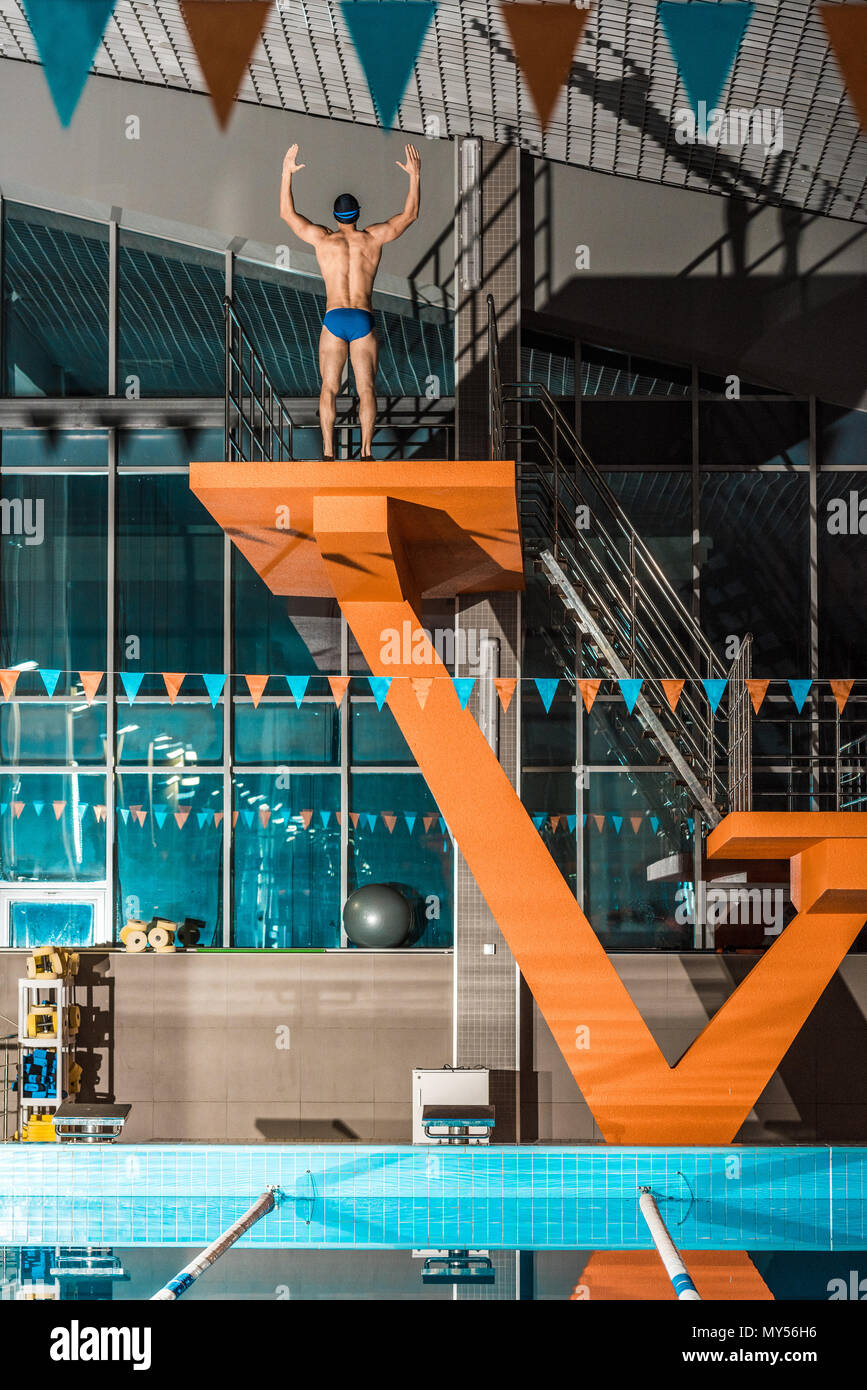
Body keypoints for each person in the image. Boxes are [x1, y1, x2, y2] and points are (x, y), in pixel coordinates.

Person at [279, 142, 421, 460]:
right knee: (366, 389)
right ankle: (367, 452)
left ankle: (329, 453)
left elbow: (287, 214)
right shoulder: (372, 238)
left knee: (329, 387)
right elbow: (410, 214)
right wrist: (414, 176)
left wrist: (286, 173)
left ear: (335, 216)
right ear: (358, 215)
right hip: (362, 317)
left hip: (334, 317)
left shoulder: (322, 238)